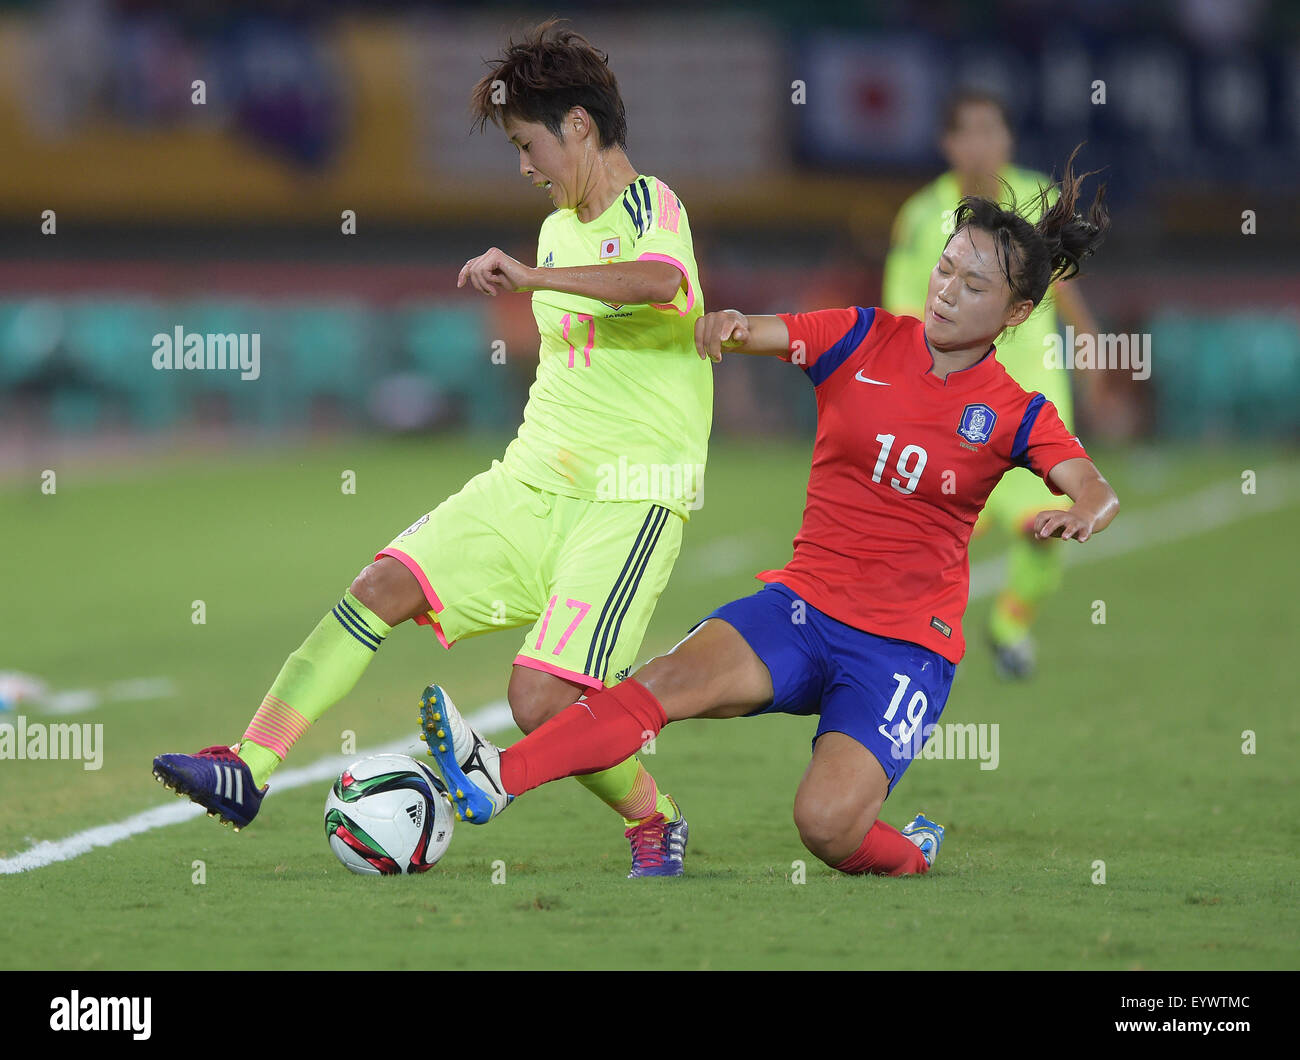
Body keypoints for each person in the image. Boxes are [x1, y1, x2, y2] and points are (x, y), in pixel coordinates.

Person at [417, 150, 1117, 877]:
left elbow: (1092, 485)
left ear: (1018, 313)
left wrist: (1084, 513)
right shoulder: (864, 336)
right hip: (800, 609)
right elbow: (765, 330)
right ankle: (497, 776)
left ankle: (913, 853)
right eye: (945, 269)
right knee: (659, 685)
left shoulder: (1015, 410)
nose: (945, 292)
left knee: (827, 827)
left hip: (903, 649)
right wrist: (726, 326)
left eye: (973, 285)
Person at [153, 19, 711, 878]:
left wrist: (530, 278)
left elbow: (662, 283)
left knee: (540, 701)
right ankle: (250, 767)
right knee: (381, 585)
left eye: (530, 145)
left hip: (629, 498)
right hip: (533, 479)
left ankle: (654, 817)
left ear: (580, 128)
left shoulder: (650, 207)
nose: (525, 168)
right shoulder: (559, 229)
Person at [883, 89, 1104, 679]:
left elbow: (1063, 287)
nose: (982, 144)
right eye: (969, 132)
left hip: (1031, 395)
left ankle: (1009, 621)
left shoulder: (1040, 199)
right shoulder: (922, 217)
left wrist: (1092, 347)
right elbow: (903, 310)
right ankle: (895, 638)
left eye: (993, 131)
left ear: (1008, 140)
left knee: (1043, 528)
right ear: (947, 143)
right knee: (933, 528)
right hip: (951, 400)